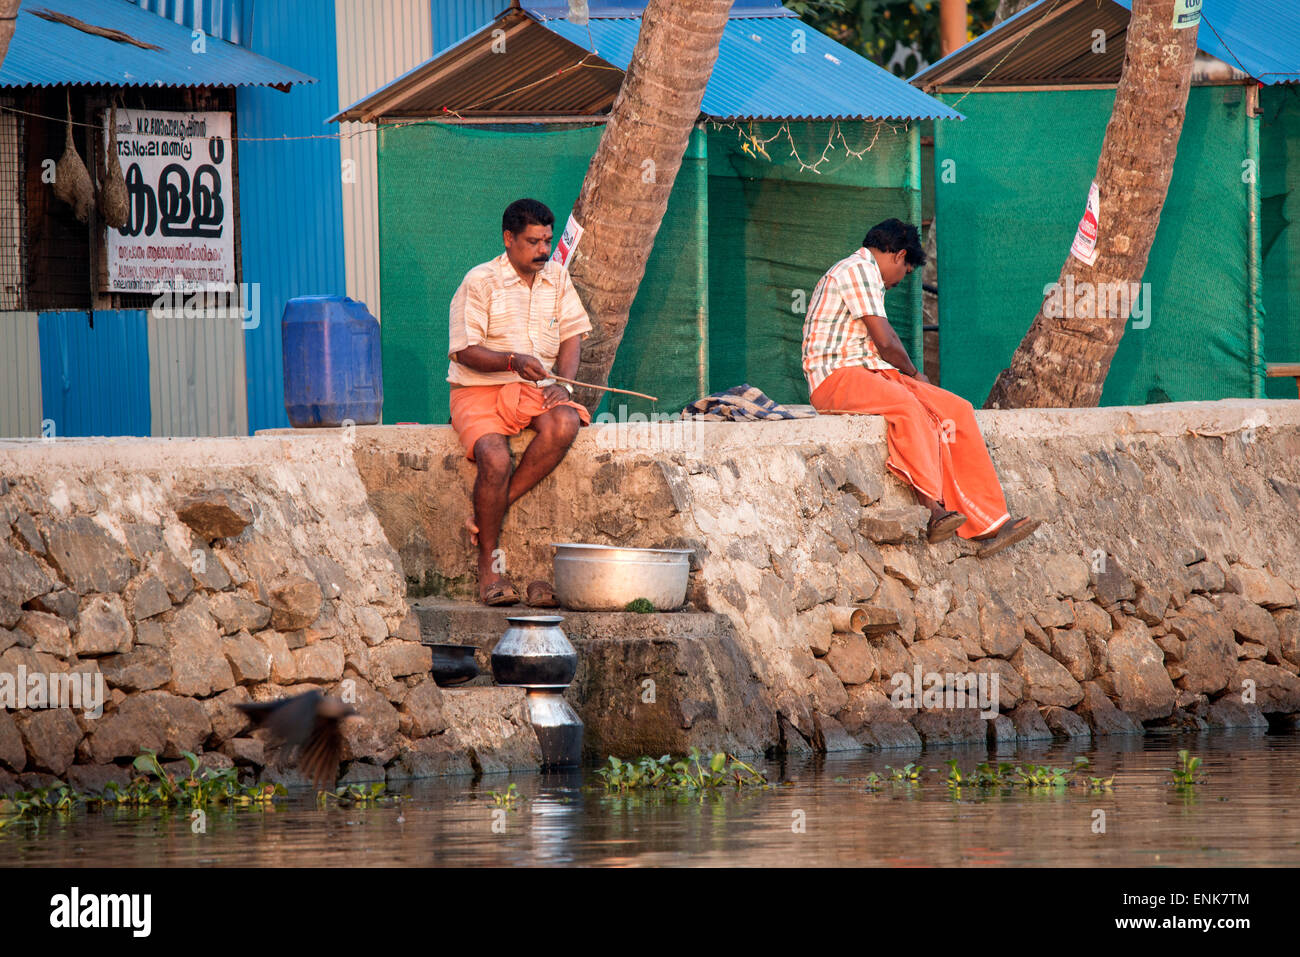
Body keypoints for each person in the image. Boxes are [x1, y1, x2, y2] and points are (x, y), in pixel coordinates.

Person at [802, 218, 1040, 556]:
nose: (902, 281)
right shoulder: (856, 269)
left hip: (870, 373)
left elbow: (882, 349)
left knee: (956, 410)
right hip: (834, 378)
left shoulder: (867, 274)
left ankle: (990, 522)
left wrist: (911, 377)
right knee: (908, 406)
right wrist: (914, 373)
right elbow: (885, 341)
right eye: (908, 271)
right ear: (899, 256)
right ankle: (932, 509)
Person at [448, 198, 592, 604]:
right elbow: (463, 351)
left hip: (532, 390)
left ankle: (489, 511)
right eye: (533, 242)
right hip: (477, 391)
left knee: (565, 422)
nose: (543, 251)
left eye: (547, 240)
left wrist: (563, 385)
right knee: (494, 457)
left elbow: (572, 336)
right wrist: (511, 360)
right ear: (508, 239)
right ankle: (489, 573)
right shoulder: (479, 281)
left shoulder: (557, 278)